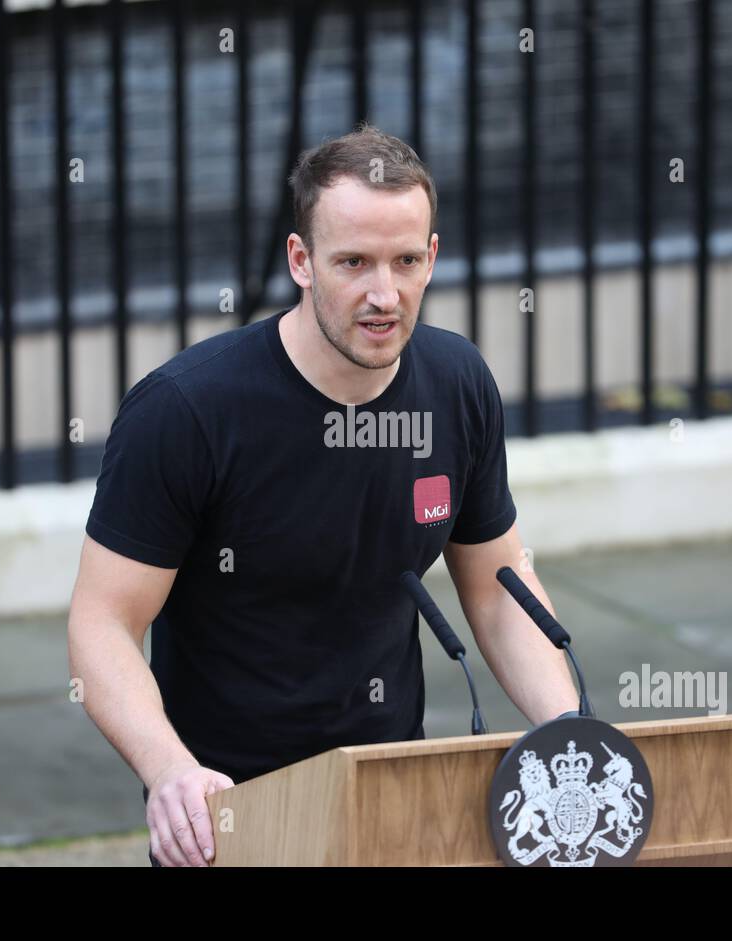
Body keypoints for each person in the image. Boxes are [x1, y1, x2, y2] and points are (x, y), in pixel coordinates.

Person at [67, 124, 579, 868]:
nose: (384, 294)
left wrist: (569, 728)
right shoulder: (188, 411)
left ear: (432, 258)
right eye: (354, 263)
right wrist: (171, 772)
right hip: (232, 813)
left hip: (393, 798)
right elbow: (102, 622)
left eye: (406, 261)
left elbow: (500, 593)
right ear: (301, 262)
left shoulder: (457, 384)